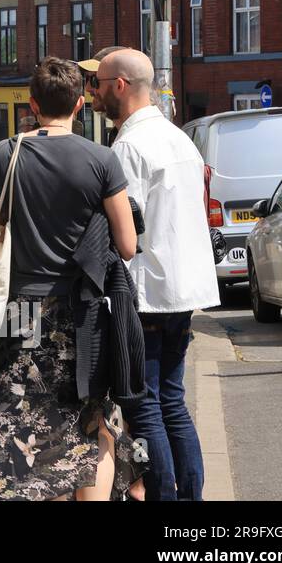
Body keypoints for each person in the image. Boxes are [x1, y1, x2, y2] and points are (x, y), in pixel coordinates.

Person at [0, 57, 141, 501]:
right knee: (91, 417)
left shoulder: (7, 153)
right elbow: (127, 244)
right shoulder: (102, 160)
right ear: (81, 104)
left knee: (17, 417)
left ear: (32, 104)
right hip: (79, 315)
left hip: (20, 310)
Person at [97, 48, 220, 500]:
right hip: (182, 290)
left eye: (100, 83)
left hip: (146, 291)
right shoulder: (179, 139)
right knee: (172, 400)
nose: (95, 93)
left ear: (121, 86)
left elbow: (124, 226)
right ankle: (190, 495)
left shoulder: (129, 146)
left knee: (144, 403)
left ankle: (165, 497)